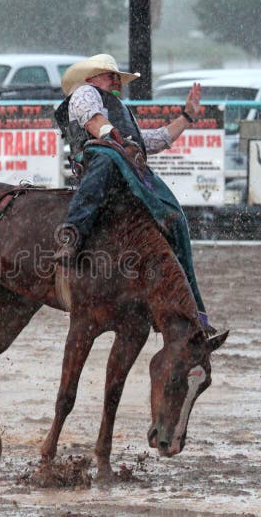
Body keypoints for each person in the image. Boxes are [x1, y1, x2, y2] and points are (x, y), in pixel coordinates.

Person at [53, 54, 215, 333]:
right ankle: (72, 232)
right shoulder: (84, 93)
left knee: (174, 216)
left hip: (129, 170)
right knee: (106, 158)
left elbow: (153, 140)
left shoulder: (120, 109)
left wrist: (187, 116)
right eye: (110, 75)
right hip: (98, 158)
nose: (116, 80)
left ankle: (184, 304)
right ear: (91, 78)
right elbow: (94, 123)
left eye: (117, 76)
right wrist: (117, 139)